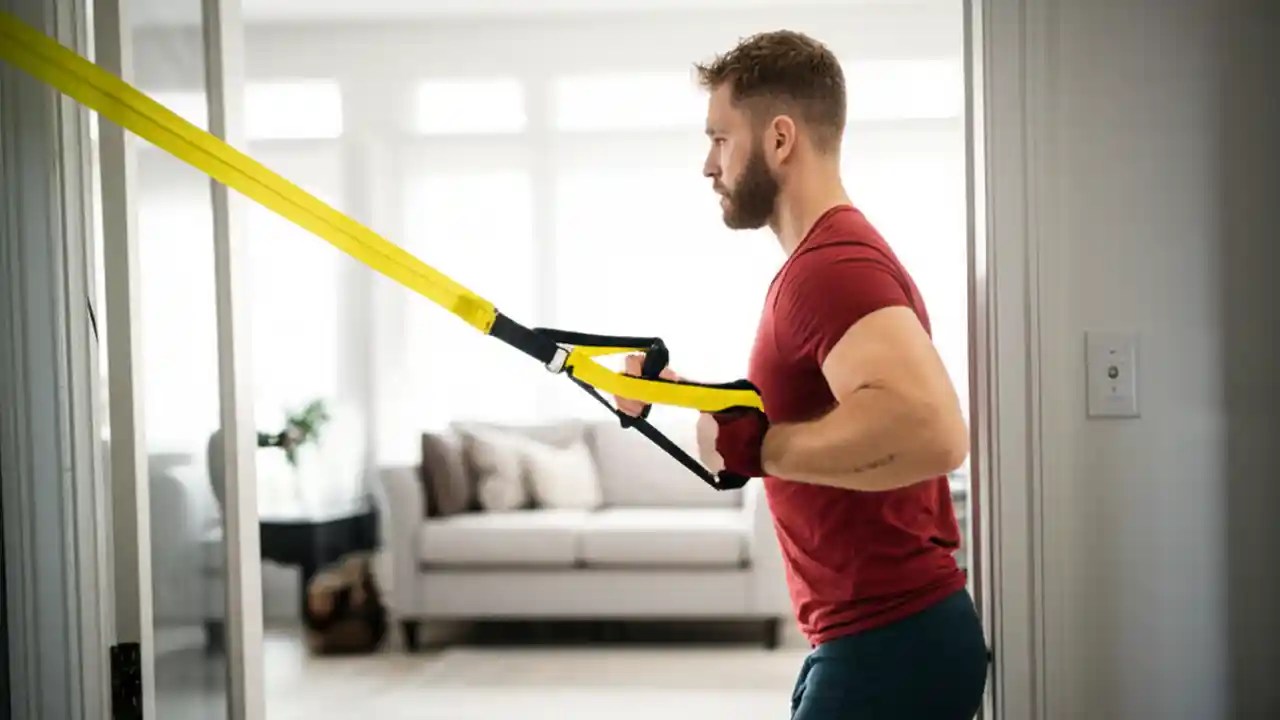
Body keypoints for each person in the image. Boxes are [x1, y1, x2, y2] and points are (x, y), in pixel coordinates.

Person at [616, 30, 988, 719]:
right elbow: (813, 415)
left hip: (890, 644)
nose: (707, 164)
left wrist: (760, 449)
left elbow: (933, 432)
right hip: (878, 639)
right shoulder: (825, 261)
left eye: (720, 138)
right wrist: (681, 396)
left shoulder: (830, 269)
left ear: (780, 139)